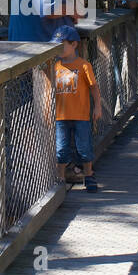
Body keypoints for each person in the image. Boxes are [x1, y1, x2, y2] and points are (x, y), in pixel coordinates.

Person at [51, 26, 102, 192]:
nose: (58, 49)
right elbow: (48, 90)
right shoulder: (54, 66)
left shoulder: (84, 65)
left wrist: (97, 107)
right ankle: (60, 180)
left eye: (62, 45)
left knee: (84, 147)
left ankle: (88, 174)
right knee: (61, 149)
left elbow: (94, 87)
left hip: (80, 115)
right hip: (60, 116)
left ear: (74, 44)